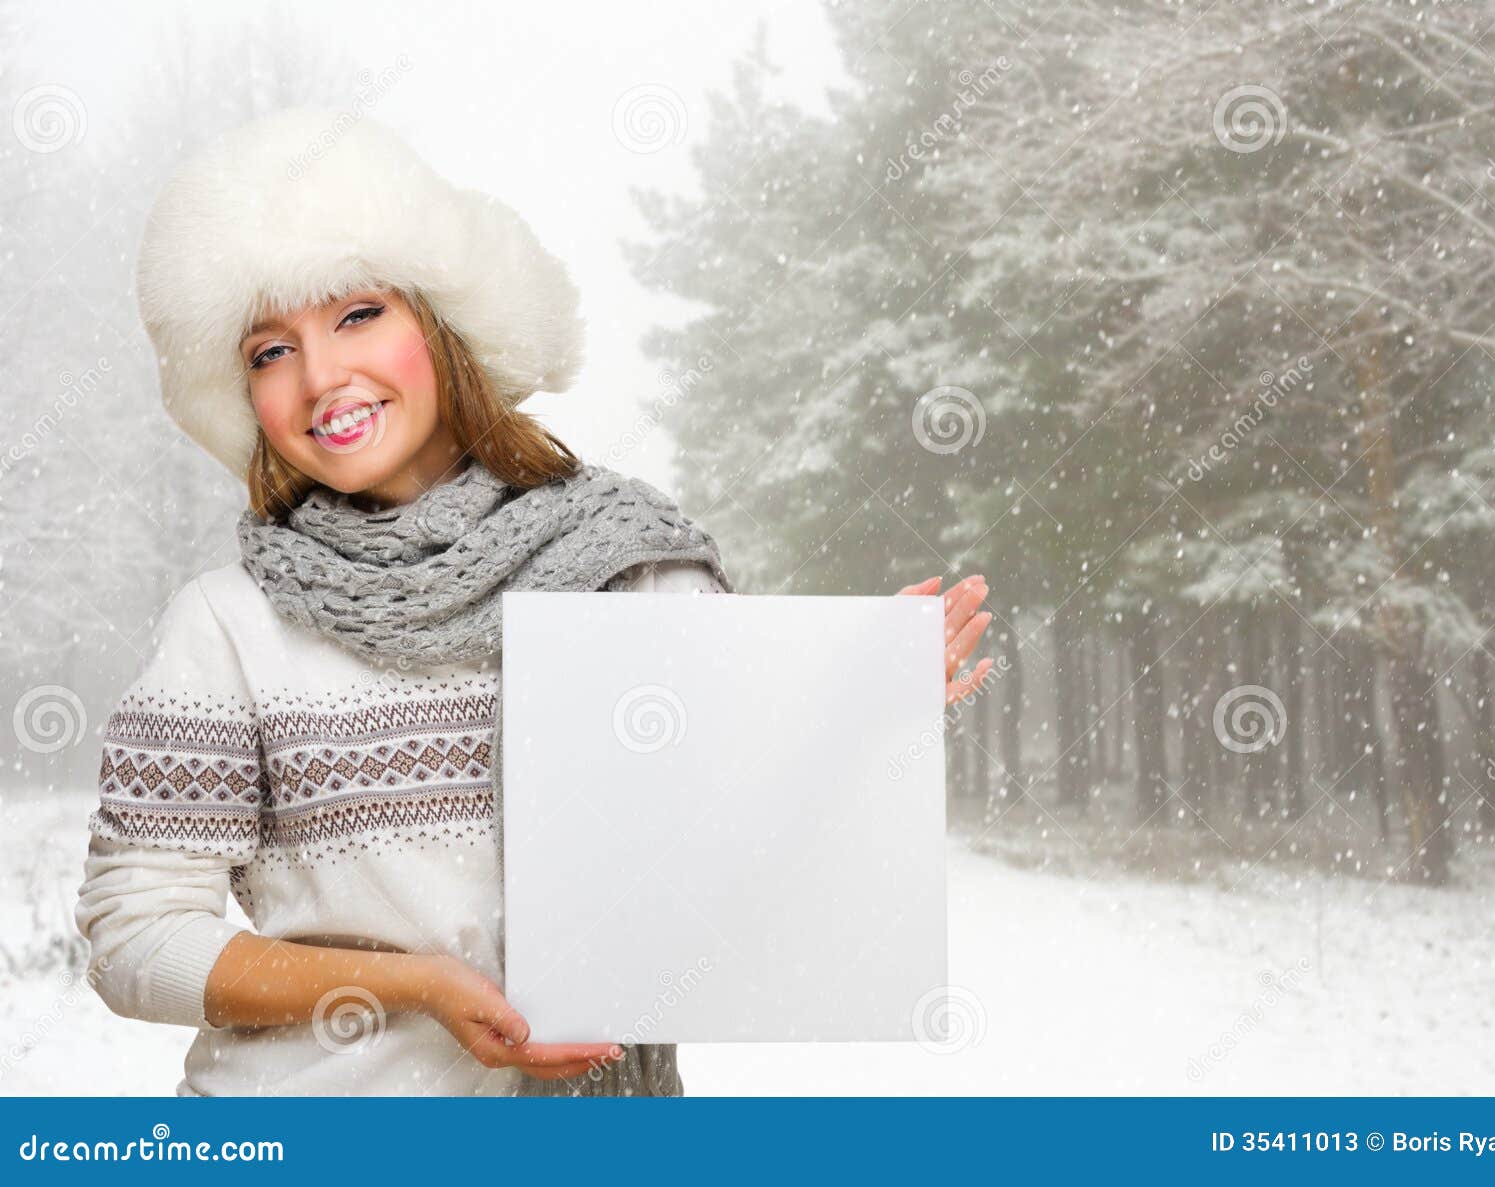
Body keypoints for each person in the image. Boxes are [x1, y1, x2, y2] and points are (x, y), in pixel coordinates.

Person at [73, 106, 994, 1097]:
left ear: (442, 323)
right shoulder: (229, 622)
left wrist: (844, 723)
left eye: (355, 314)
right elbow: (136, 935)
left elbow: (729, 873)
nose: (320, 375)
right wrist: (415, 984)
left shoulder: (627, 572)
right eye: (269, 350)